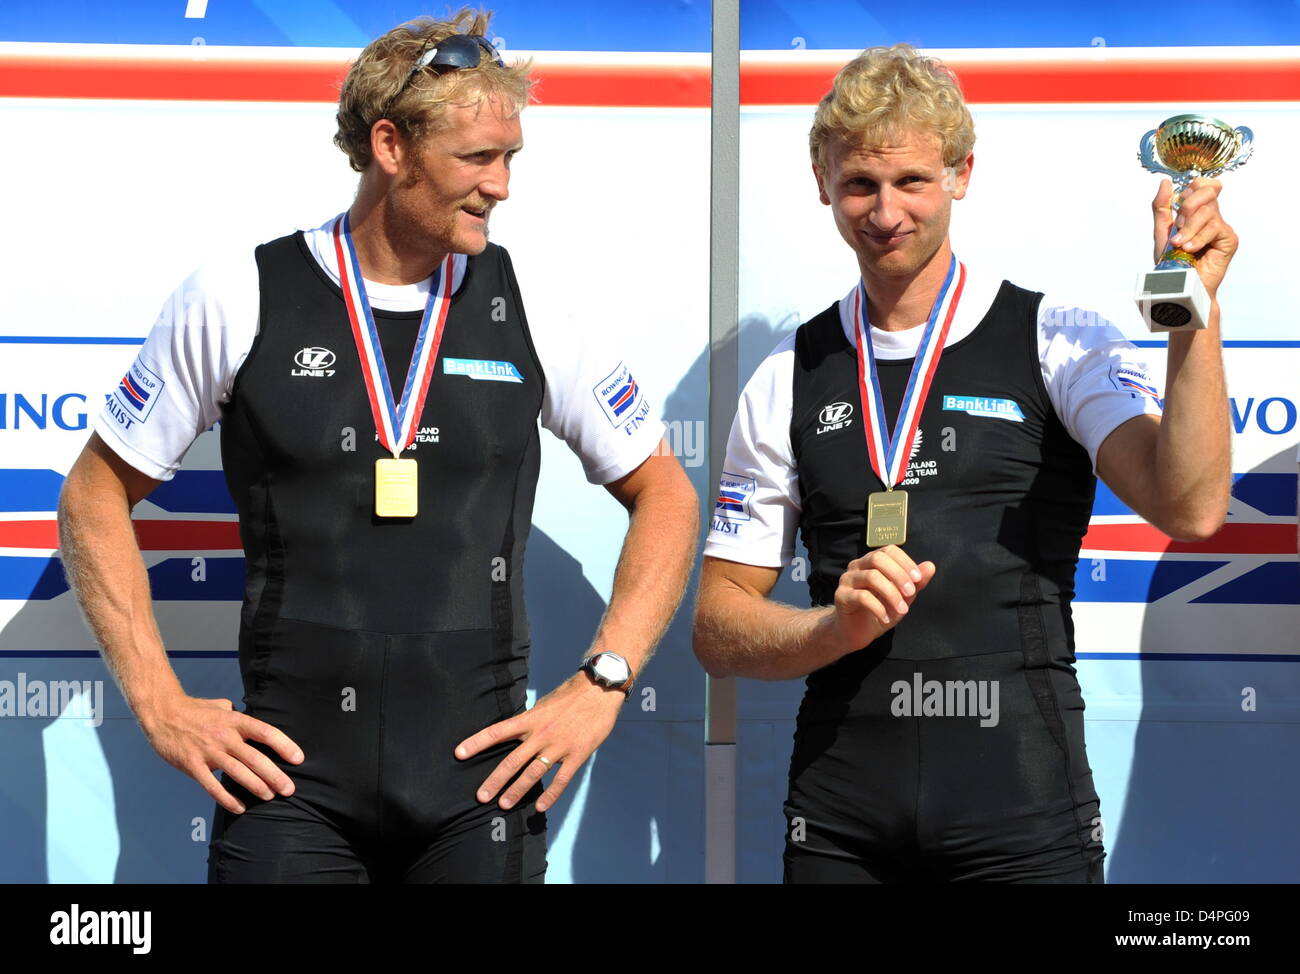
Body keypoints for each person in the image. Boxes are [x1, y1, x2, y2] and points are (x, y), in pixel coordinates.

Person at [57, 10, 698, 884]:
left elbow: (667, 491)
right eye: (478, 158)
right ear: (390, 146)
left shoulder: (532, 301)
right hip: (290, 792)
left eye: (511, 158)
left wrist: (604, 682)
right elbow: (93, 493)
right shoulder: (241, 293)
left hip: (480, 797)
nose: (502, 186)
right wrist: (156, 702)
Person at [694, 44, 1235, 883]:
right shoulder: (787, 374)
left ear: (961, 173)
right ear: (822, 183)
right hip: (841, 823)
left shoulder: (1059, 338)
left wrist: (1196, 317)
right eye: (859, 185)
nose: (884, 213)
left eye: (911, 181)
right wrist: (829, 629)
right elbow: (718, 626)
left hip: (1023, 815)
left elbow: (1190, 506)